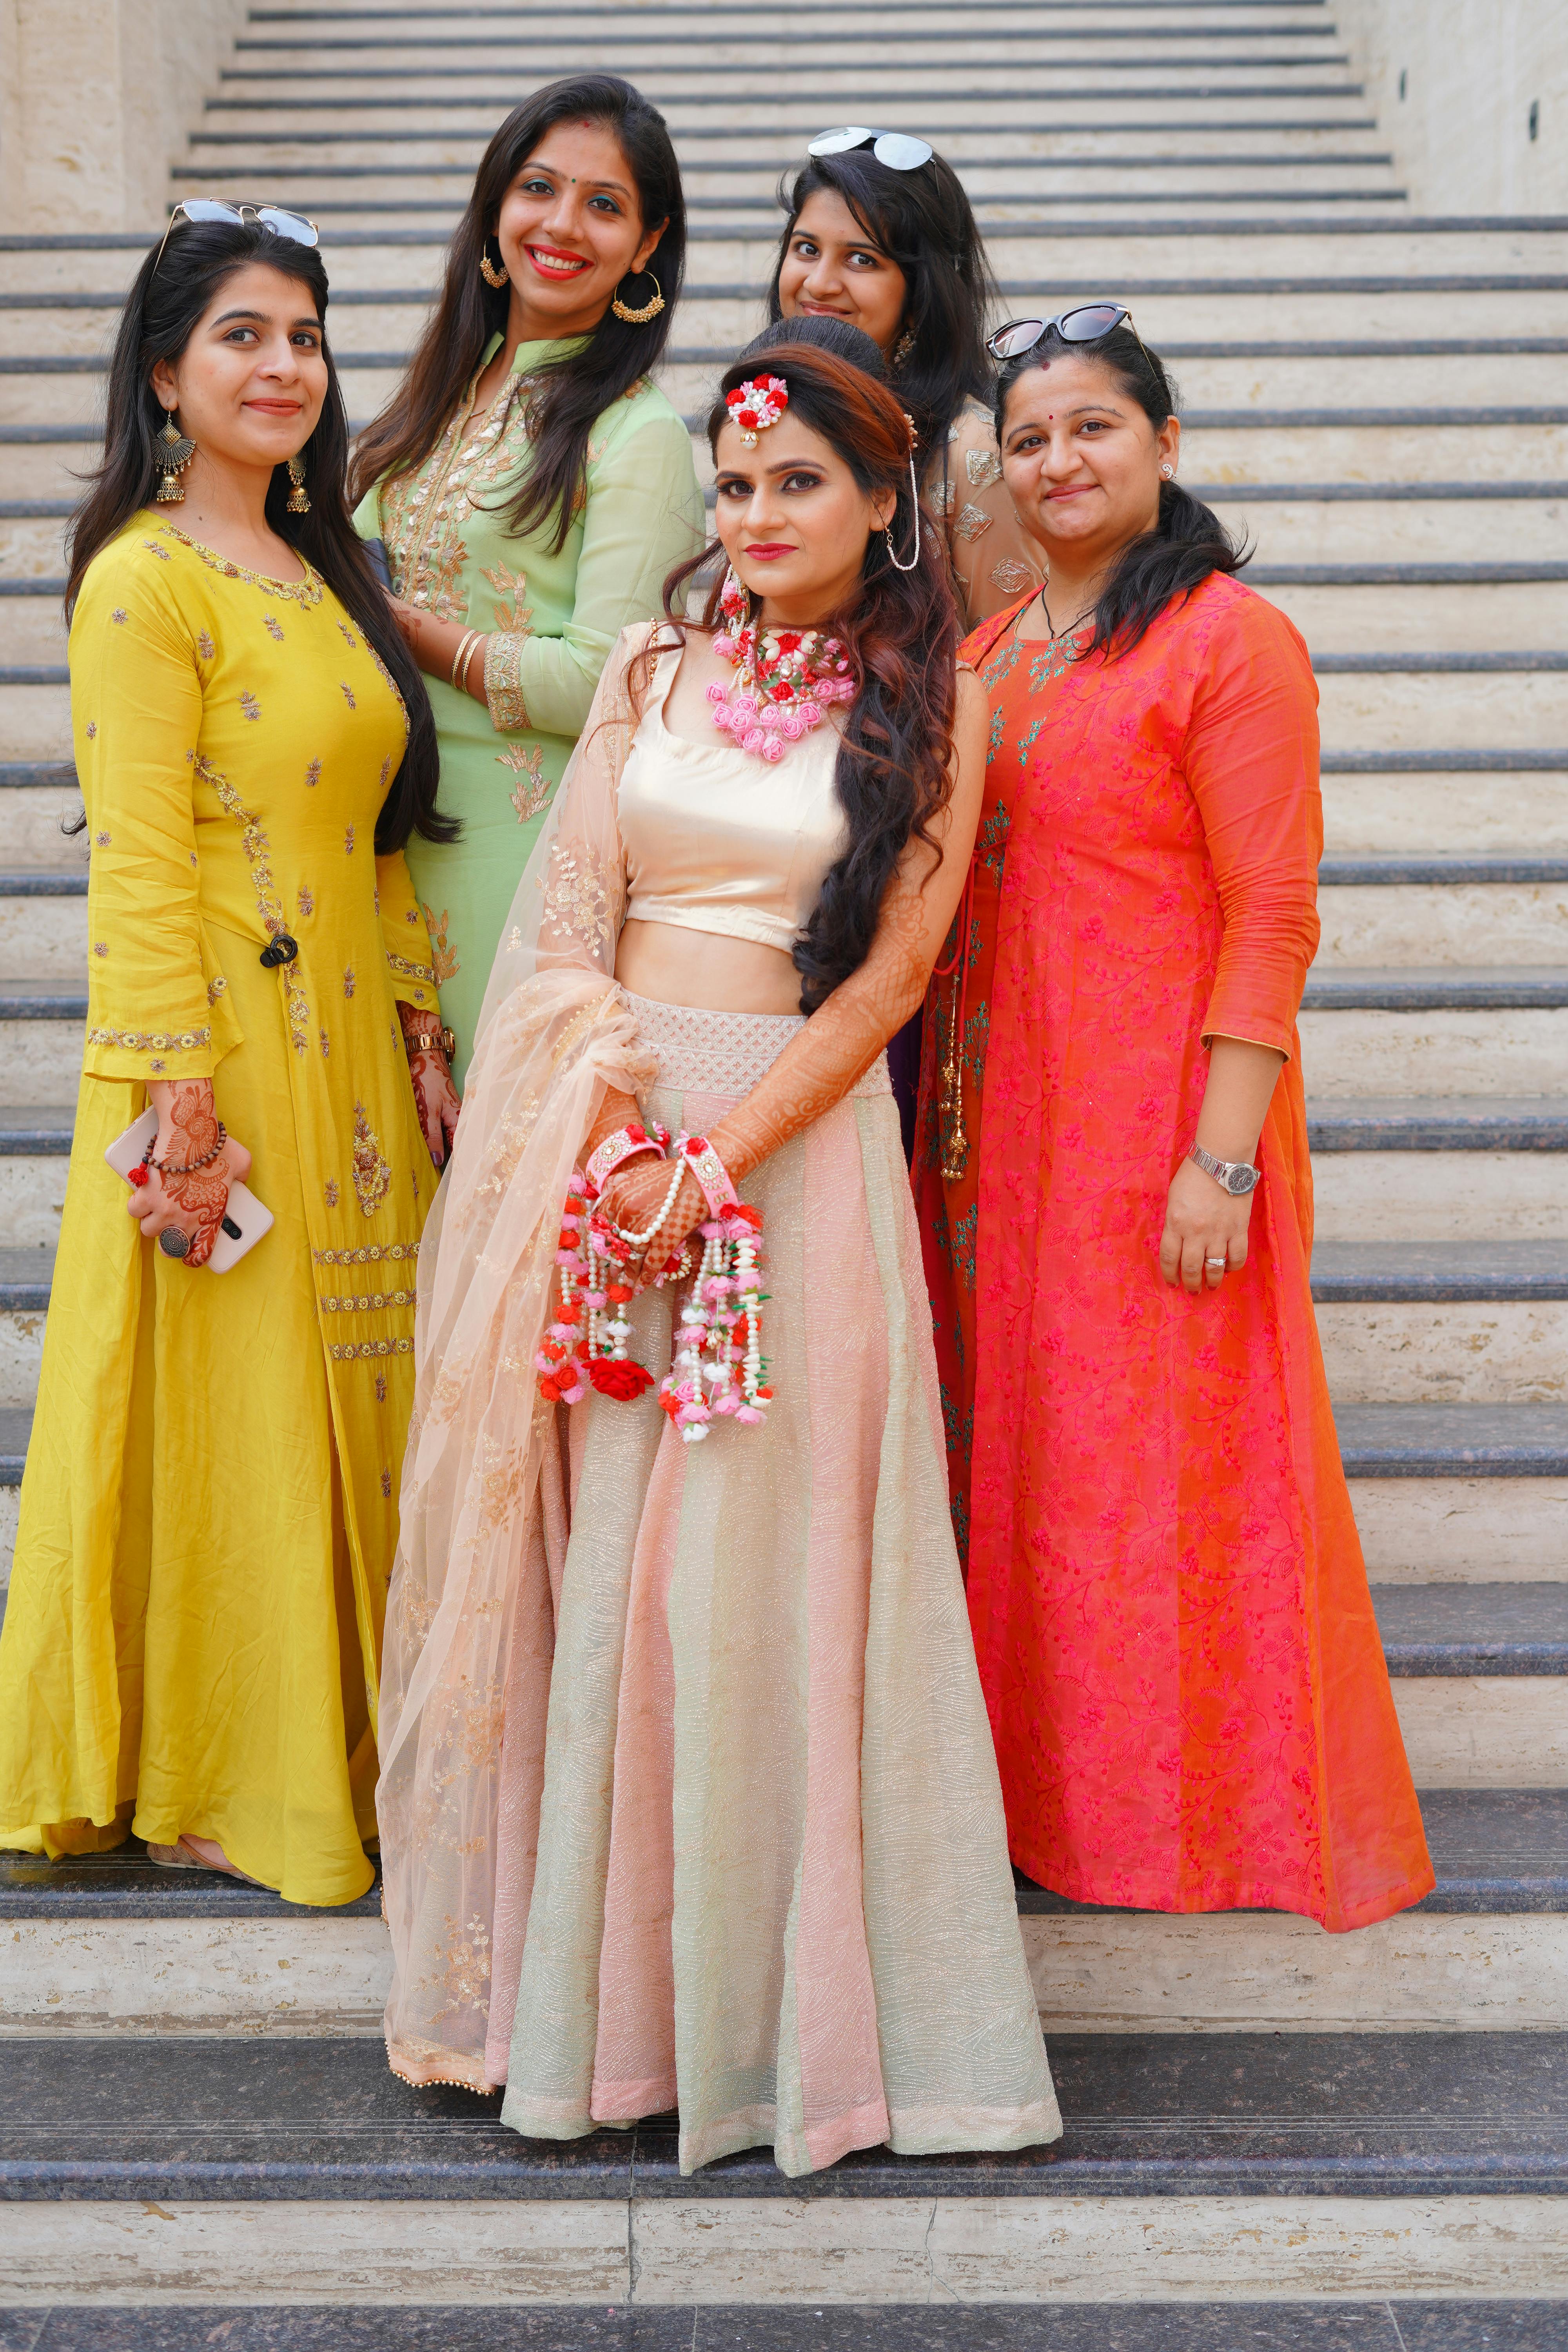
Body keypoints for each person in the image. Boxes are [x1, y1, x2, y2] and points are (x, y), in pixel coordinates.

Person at [376, 345, 1060, 2176]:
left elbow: (889, 980)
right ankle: (604, 2029)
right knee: (614, 1576)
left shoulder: (933, 704)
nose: (756, 519)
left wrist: (716, 1158)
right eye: (736, 487)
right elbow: (574, 908)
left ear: (881, 503)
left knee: (760, 1578)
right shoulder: (648, 669)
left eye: (798, 487)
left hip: (792, 1172)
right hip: (609, 1146)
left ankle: (794, 2044)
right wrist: (612, 1135)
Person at [914, 308, 1434, 1933]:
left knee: (1154, 1478)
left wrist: (1220, 1156)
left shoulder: (1227, 640)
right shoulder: (992, 655)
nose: (1058, 462)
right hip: (1004, 1128)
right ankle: (1033, 1794)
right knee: (1035, 1465)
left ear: (1163, 443)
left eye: (1093, 429)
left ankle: (1177, 1820)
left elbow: (1271, 914)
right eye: (1030, 438)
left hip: (1157, 1128)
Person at [0, 211, 460, 1906]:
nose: (283, 368)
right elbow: (132, 857)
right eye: (244, 337)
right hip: (220, 1055)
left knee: (360, 1380)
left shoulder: (329, 565)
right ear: (164, 377)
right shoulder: (142, 578)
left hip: (352, 1044)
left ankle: (356, 1733)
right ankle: (208, 1766)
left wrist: (423, 1025)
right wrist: (176, 1100)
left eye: (307, 338)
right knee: (236, 1409)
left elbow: (386, 828)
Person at [349, 74, 706, 1085]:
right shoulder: (433, 403)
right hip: (380, 842)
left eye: (604, 205)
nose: (561, 224)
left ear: (646, 246)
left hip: (518, 862)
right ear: (494, 209)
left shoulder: (636, 434)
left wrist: (409, 630)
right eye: (538, 188)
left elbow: (613, 679)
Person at [768, 129, 1042, 630]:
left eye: (861, 259)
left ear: (920, 296)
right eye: (806, 249)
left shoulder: (970, 451)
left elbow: (1013, 661)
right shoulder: (767, 412)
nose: (819, 283)